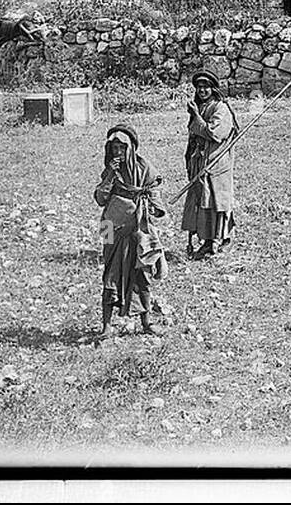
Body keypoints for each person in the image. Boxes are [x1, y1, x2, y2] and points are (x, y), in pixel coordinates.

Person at [94, 124, 167, 338]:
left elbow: (155, 196)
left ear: (131, 149)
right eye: (114, 148)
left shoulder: (145, 169)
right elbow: (100, 199)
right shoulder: (109, 170)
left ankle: (147, 321)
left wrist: (155, 205)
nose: (118, 152)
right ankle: (106, 326)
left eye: (122, 148)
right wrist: (109, 178)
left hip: (138, 225)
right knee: (109, 273)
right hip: (108, 225)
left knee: (142, 272)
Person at [182, 70, 240, 259]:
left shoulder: (221, 109)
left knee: (218, 201)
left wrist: (196, 117)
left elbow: (214, 133)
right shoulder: (201, 107)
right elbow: (194, 134)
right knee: (203, 202)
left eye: (206, 87)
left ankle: (221, 239)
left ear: (213, 89)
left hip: (217, 164)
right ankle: (207, 241)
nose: (202, 90)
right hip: (200, 162)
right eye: (199, 87)